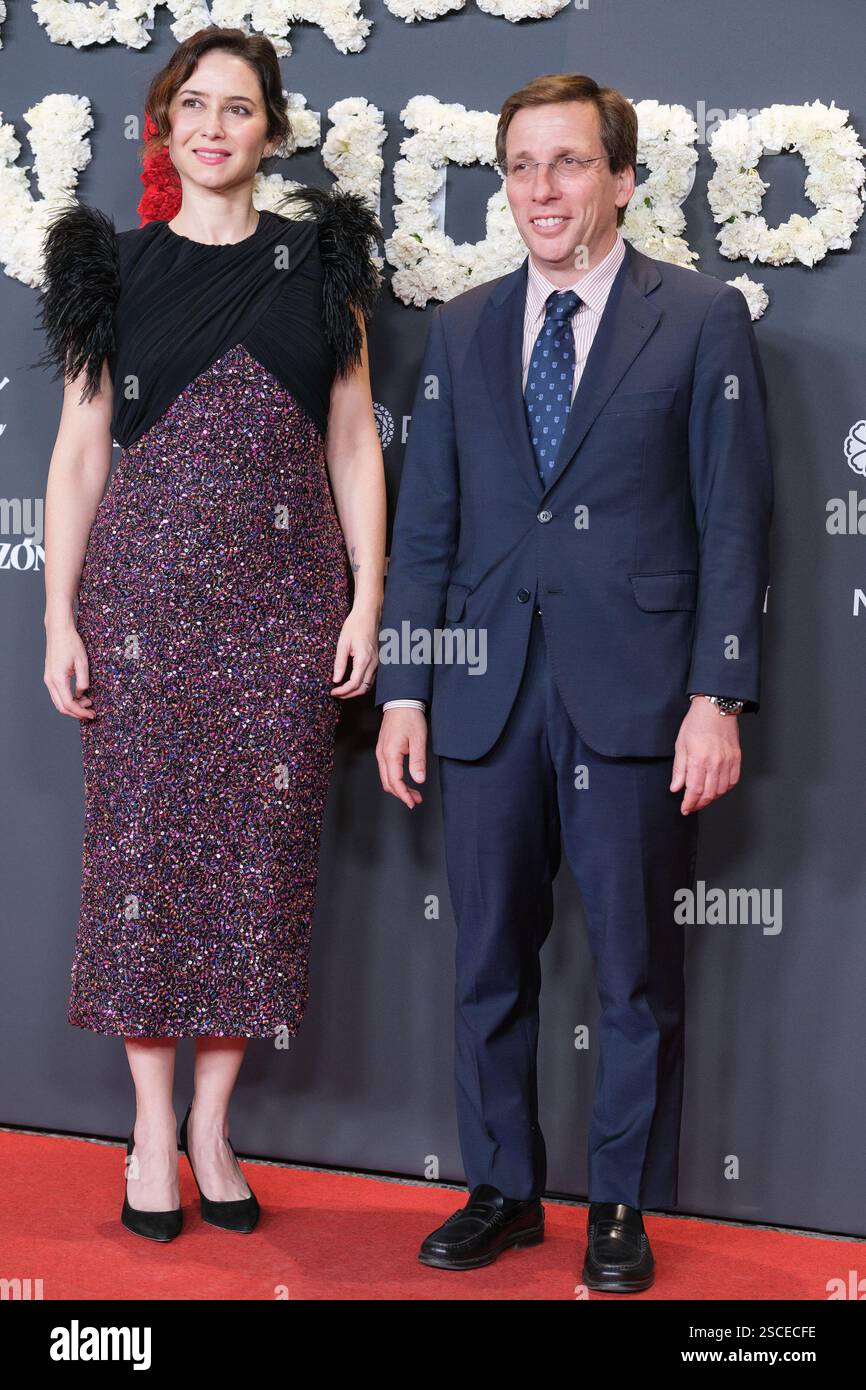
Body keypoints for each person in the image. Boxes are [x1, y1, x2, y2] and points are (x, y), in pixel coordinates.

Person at [375, 72, 772, 1292]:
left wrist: (718, 695)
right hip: (484, 692)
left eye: (566, 163)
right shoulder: (461, 329)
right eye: (519, 166)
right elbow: (426, 525)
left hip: (638, 696)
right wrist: (403, 687)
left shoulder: (700, 317)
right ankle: (501, 1184)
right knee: (486, 956)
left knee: (634, 966)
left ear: (620, 178)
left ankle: (616, 1204)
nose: (539, 189)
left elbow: (733, 523)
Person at [37, 26, 385, 1242]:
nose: (215, 126)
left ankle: (212, 1125)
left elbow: (352, 440)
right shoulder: (113, 267)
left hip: (285, 602)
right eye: (194, 104)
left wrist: (366, 596)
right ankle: (145, 1128)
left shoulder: (321, 263)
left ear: (271, 133)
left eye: (239, 108)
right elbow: (80, 455)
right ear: (164, 125)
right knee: (139, 859)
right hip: (139, 607)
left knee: (256, 863)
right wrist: (57, 613)